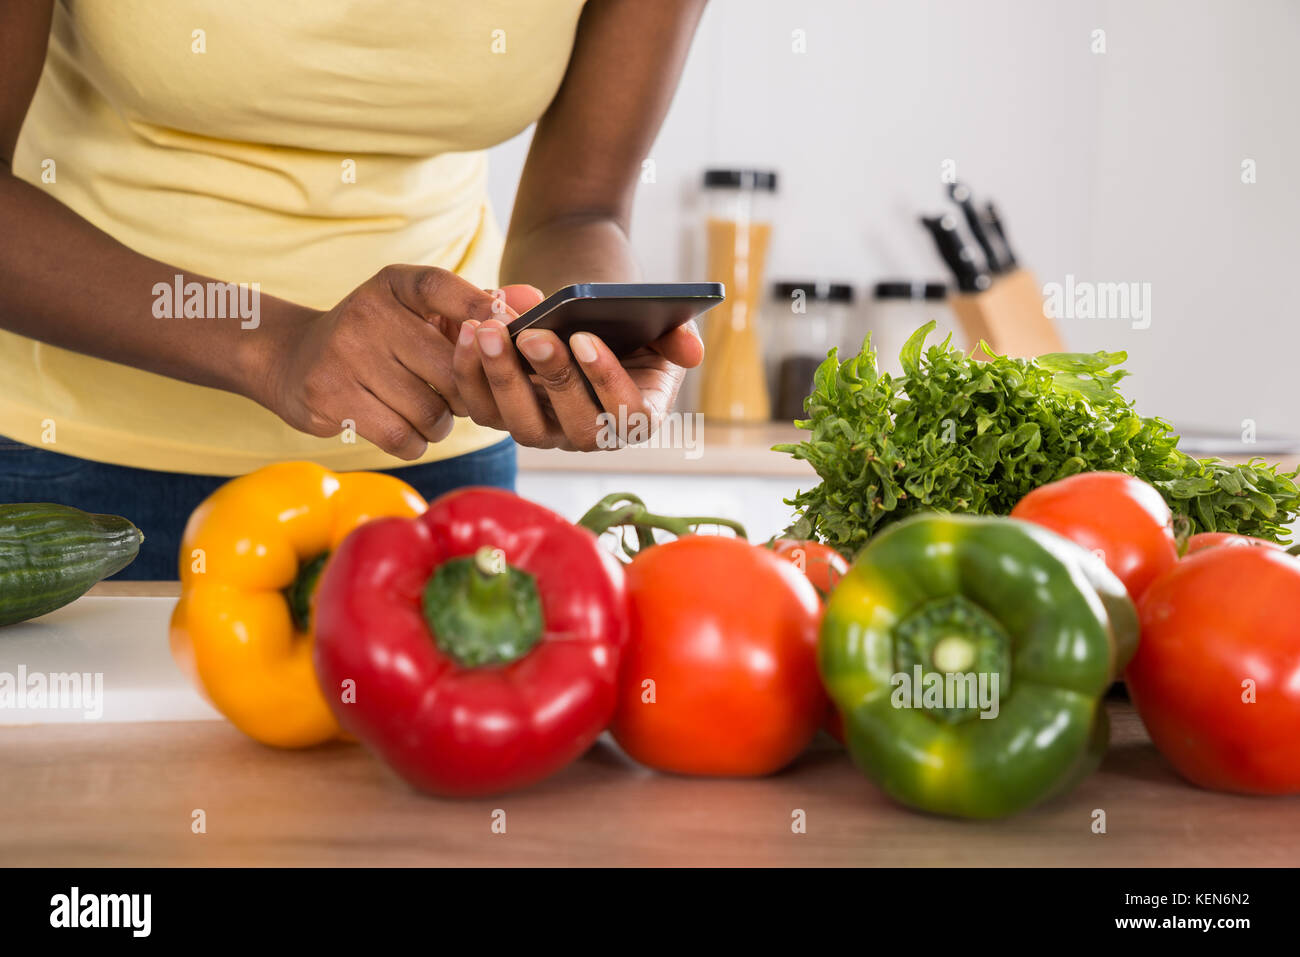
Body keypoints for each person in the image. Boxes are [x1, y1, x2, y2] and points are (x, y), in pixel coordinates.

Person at [0, 0, 707, 577]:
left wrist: (582, 341)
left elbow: (579, 212)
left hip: (432, 475)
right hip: (69, 485)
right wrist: (273, 347)